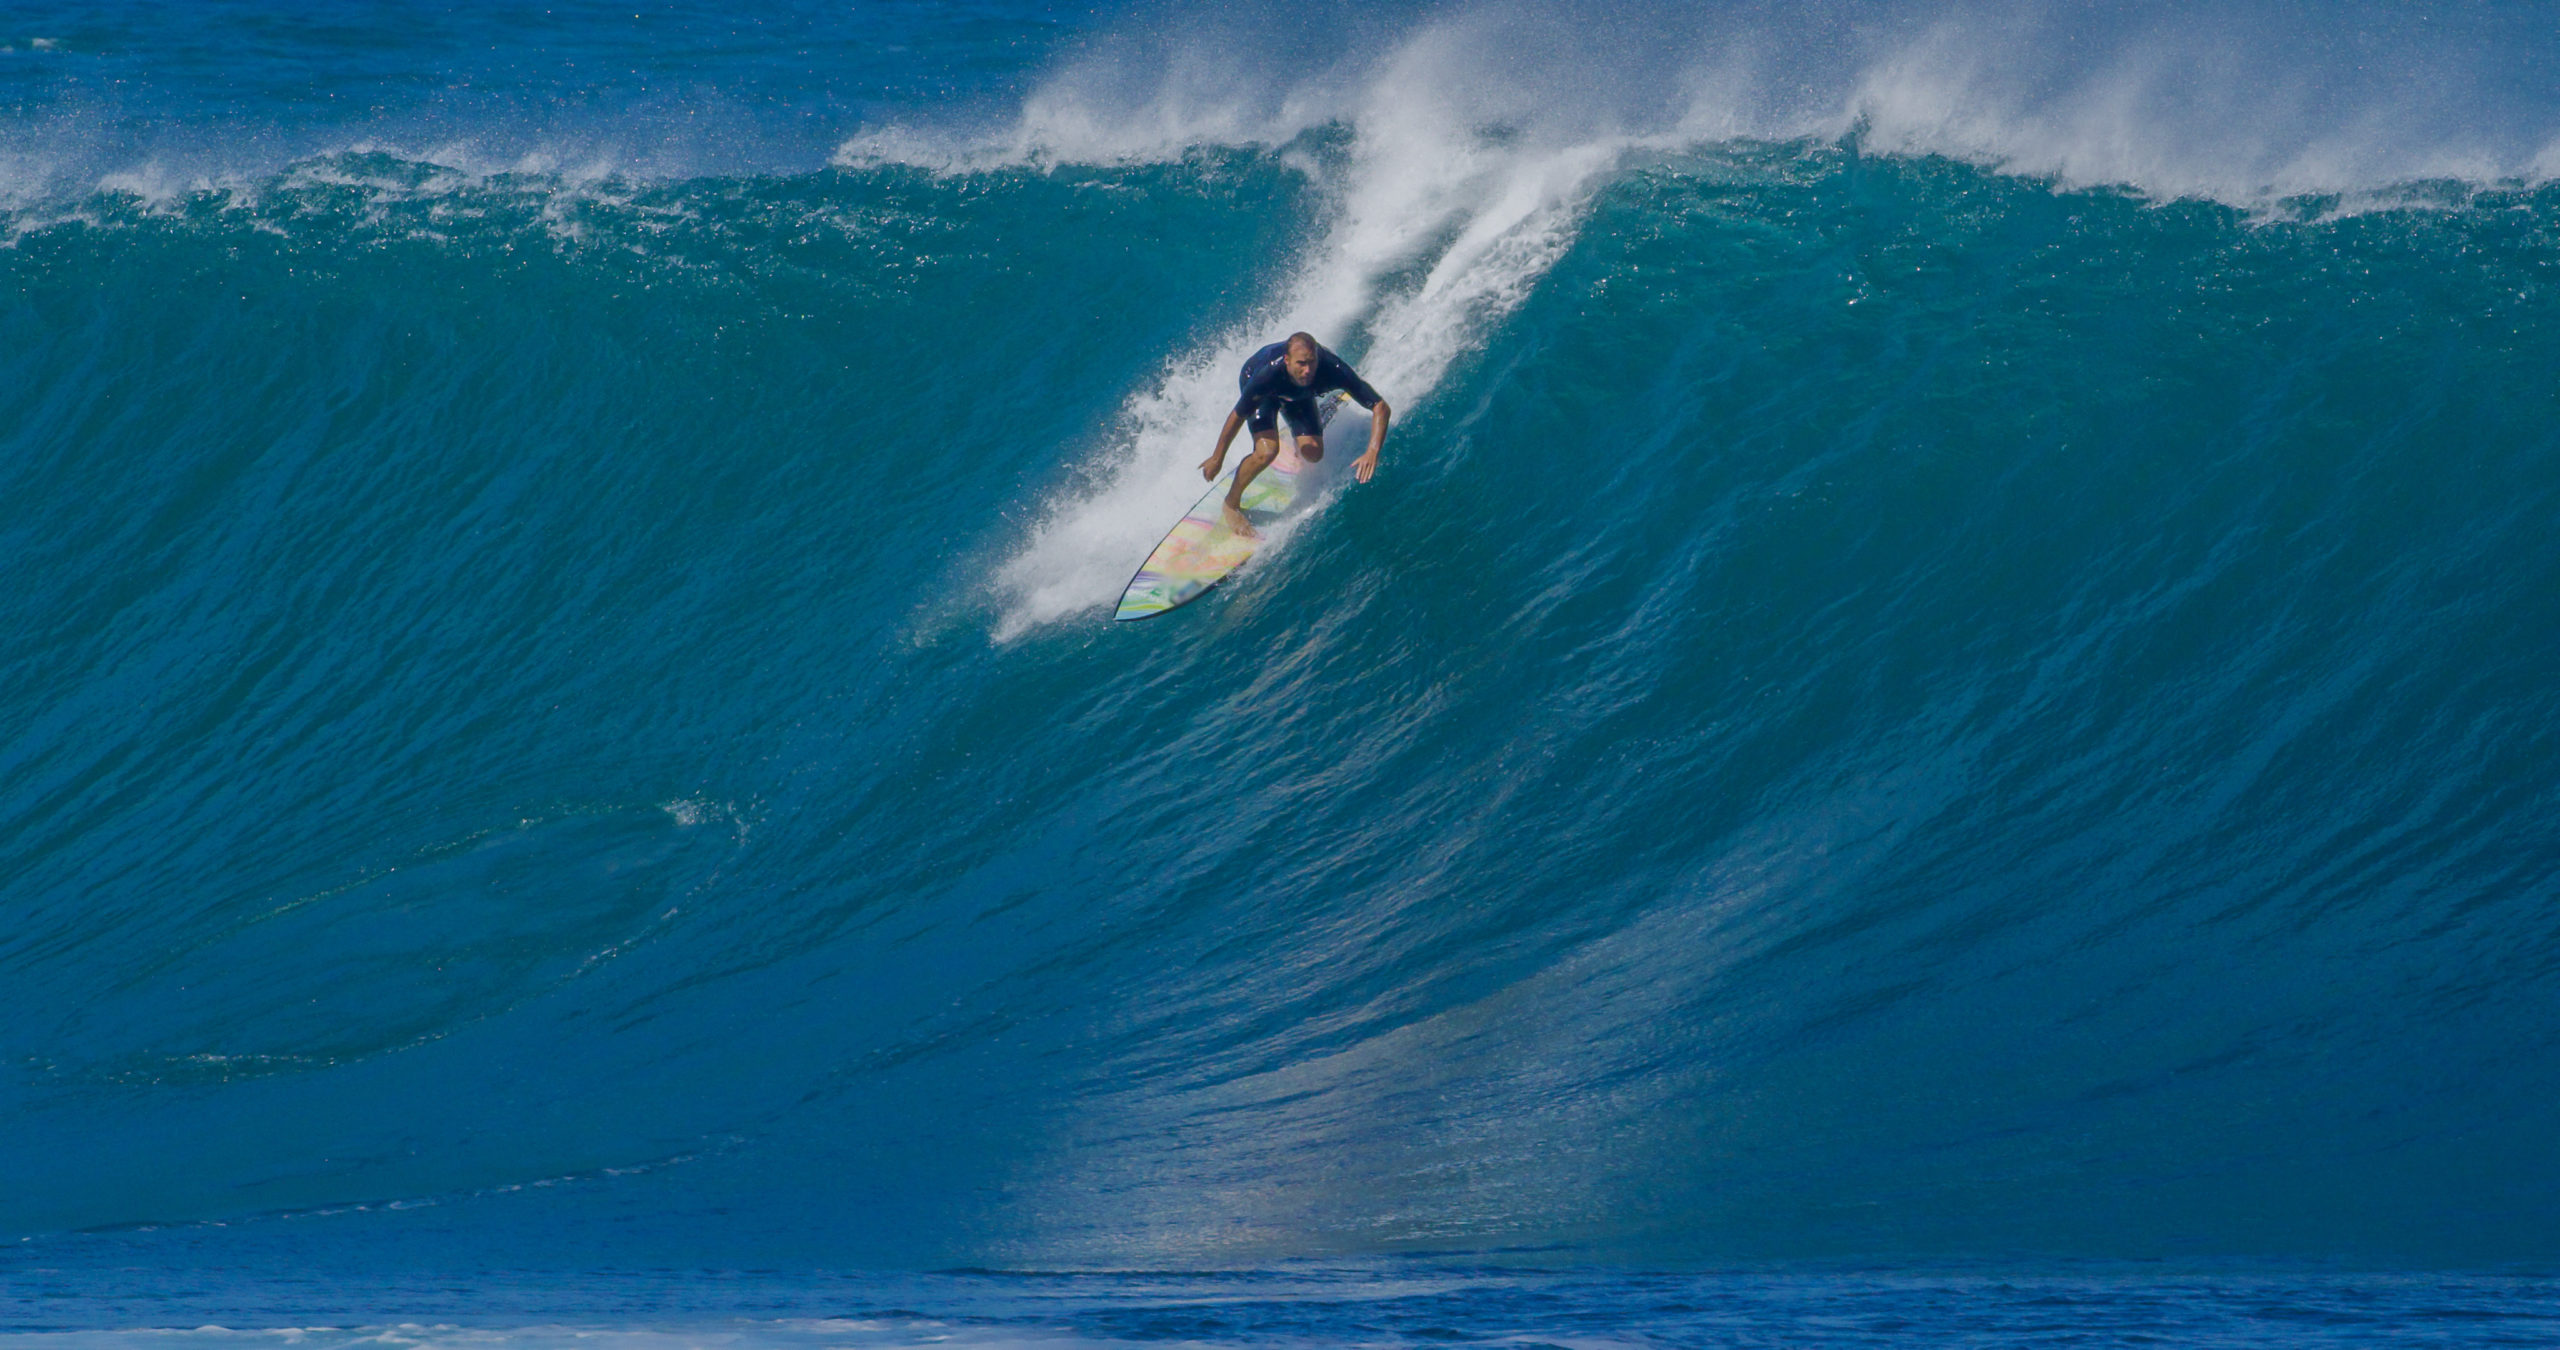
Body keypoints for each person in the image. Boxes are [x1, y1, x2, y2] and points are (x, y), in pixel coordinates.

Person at [1199, 332, 1390, 536]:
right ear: (1288, 360)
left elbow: (1380, 406)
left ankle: (1309, 421)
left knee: (1313, 454)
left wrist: (1372, 451)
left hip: (1299, 395)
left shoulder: (1332, 369)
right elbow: (1237, 415)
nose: (1307, 370)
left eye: (1311, 362)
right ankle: (1231, 503)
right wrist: (1218, 457)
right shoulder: (1266, 375)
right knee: (1267, 451)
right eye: (1301, 364)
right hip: (1262, 388)